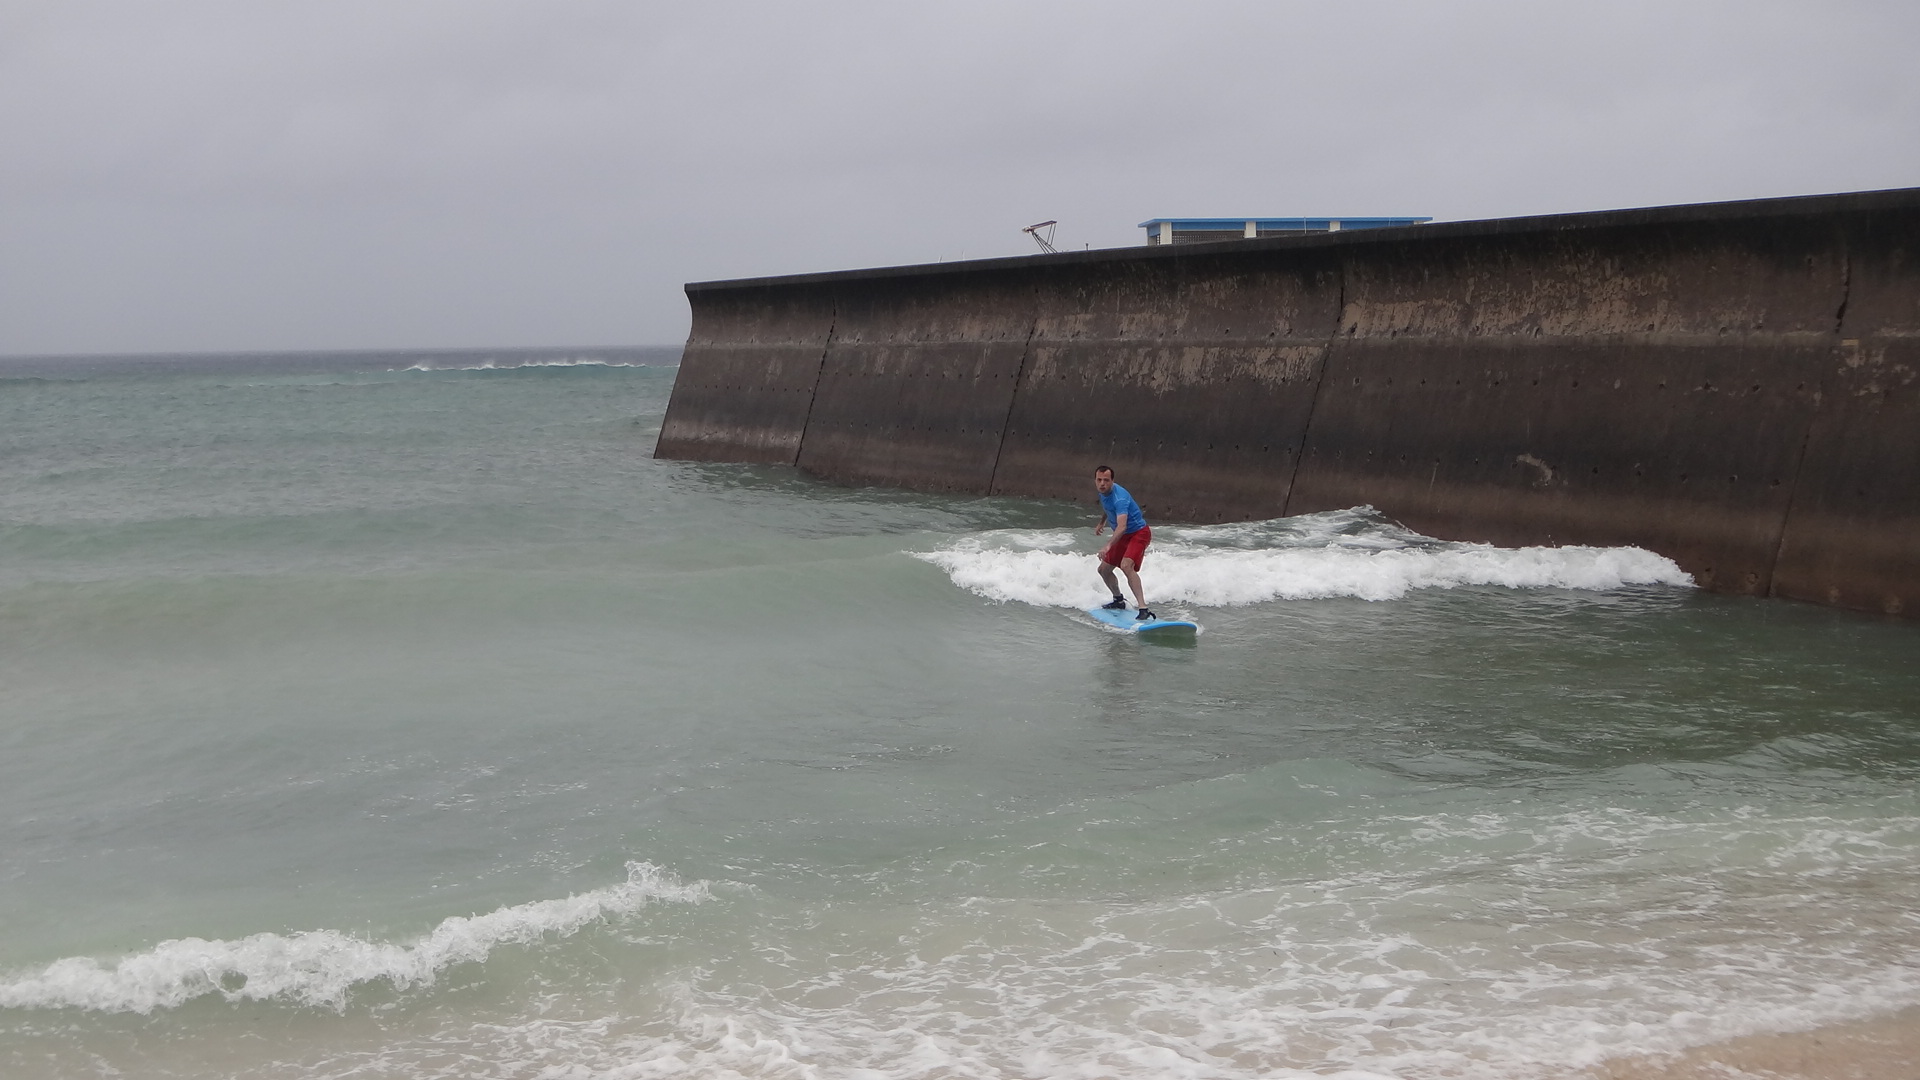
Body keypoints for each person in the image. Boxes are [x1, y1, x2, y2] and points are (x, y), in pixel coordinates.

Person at [1092, 465, 1155, 621]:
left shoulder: (1119, 498)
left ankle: (1143, 608)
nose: (1102, 484)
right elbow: (1107, 508)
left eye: (1106, 480)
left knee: (1126, 565)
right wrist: (1102, 523)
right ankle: (1118, 600)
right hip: (1123, 535)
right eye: (1099, 480)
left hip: (1138, 533)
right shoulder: (1103, 492)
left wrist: (1108, 545)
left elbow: (1122, 526)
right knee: (1103, 570)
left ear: (1112, 481)